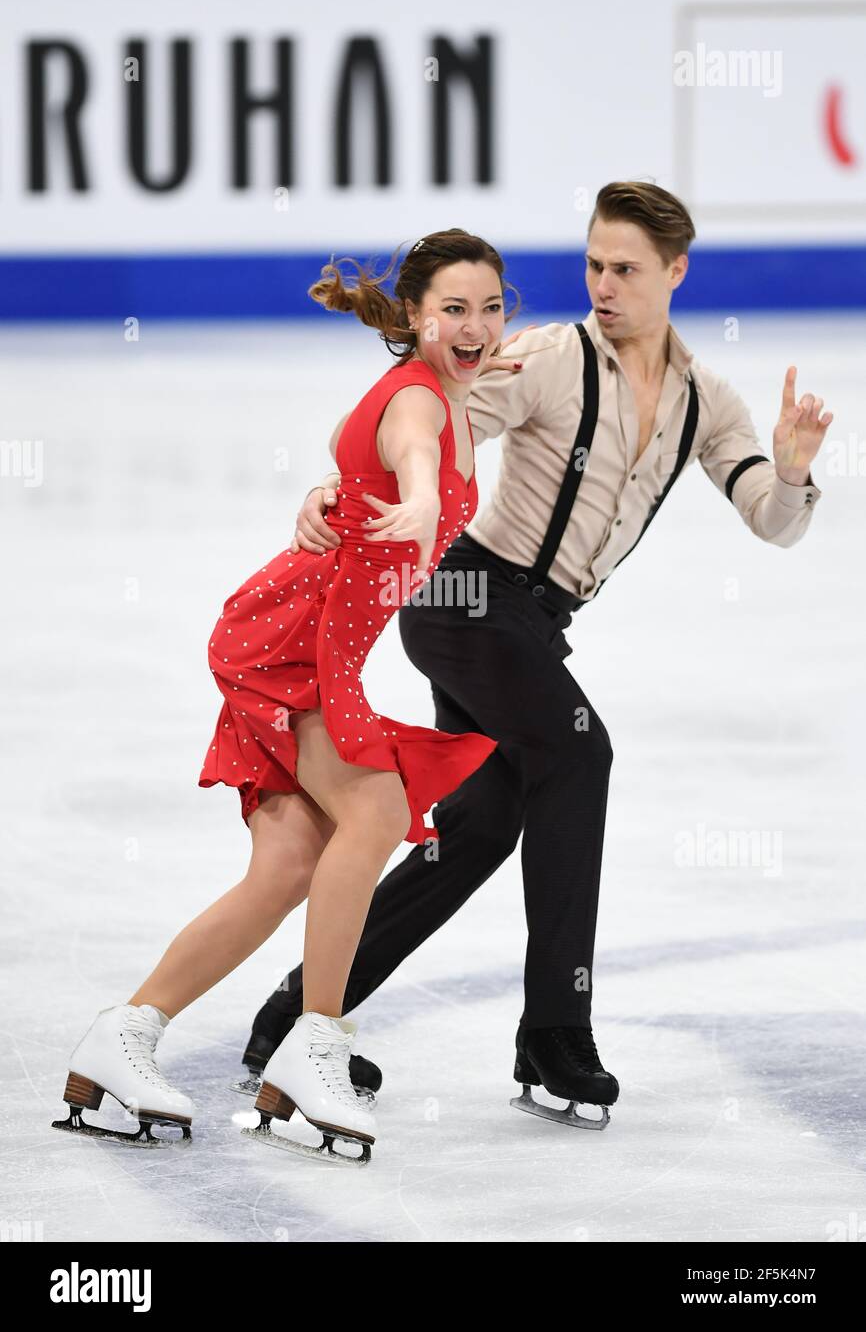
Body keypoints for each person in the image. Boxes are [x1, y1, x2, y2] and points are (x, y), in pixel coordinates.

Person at [244, 181, 832, 1132]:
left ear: (676, 273)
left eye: (627, 270)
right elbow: (428, 421)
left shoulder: (704, 404)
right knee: (578, 751)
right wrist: (332, 487)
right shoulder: (554, 359)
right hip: (464, 598)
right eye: (595, 264)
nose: (604, 284)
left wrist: (796, 472)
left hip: (530, 623)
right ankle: (556, 1034)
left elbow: (770, 517)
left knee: (479, 826)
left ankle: (294, 1018)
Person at [53, 228, 518, 1164]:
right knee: (378, 804)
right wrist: (422, 500)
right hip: (294, 644)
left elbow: (372, 464)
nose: (474, 326)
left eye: (491, 306)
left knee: (288, 866)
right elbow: (411, 453)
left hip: (311, 638)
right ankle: (314, 1045)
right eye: (454, 309)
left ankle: (122, 1040)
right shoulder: (424, 405)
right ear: (418, 317)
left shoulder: (458, 396)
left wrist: (343, 493)